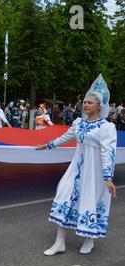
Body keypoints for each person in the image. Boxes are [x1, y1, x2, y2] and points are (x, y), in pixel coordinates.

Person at [36, 74, 117, 256]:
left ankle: (89, 238)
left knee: (89, 202)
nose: (86, 104)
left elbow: (108, 153)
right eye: (85, 101)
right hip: (76, 168)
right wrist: (48, 145)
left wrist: (108, 177)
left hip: (94, 172)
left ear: (99, 106)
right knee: (64, 194)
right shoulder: (78, 123)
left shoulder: (106, 127)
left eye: (90, 102)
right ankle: (59, 242)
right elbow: (66, 137)